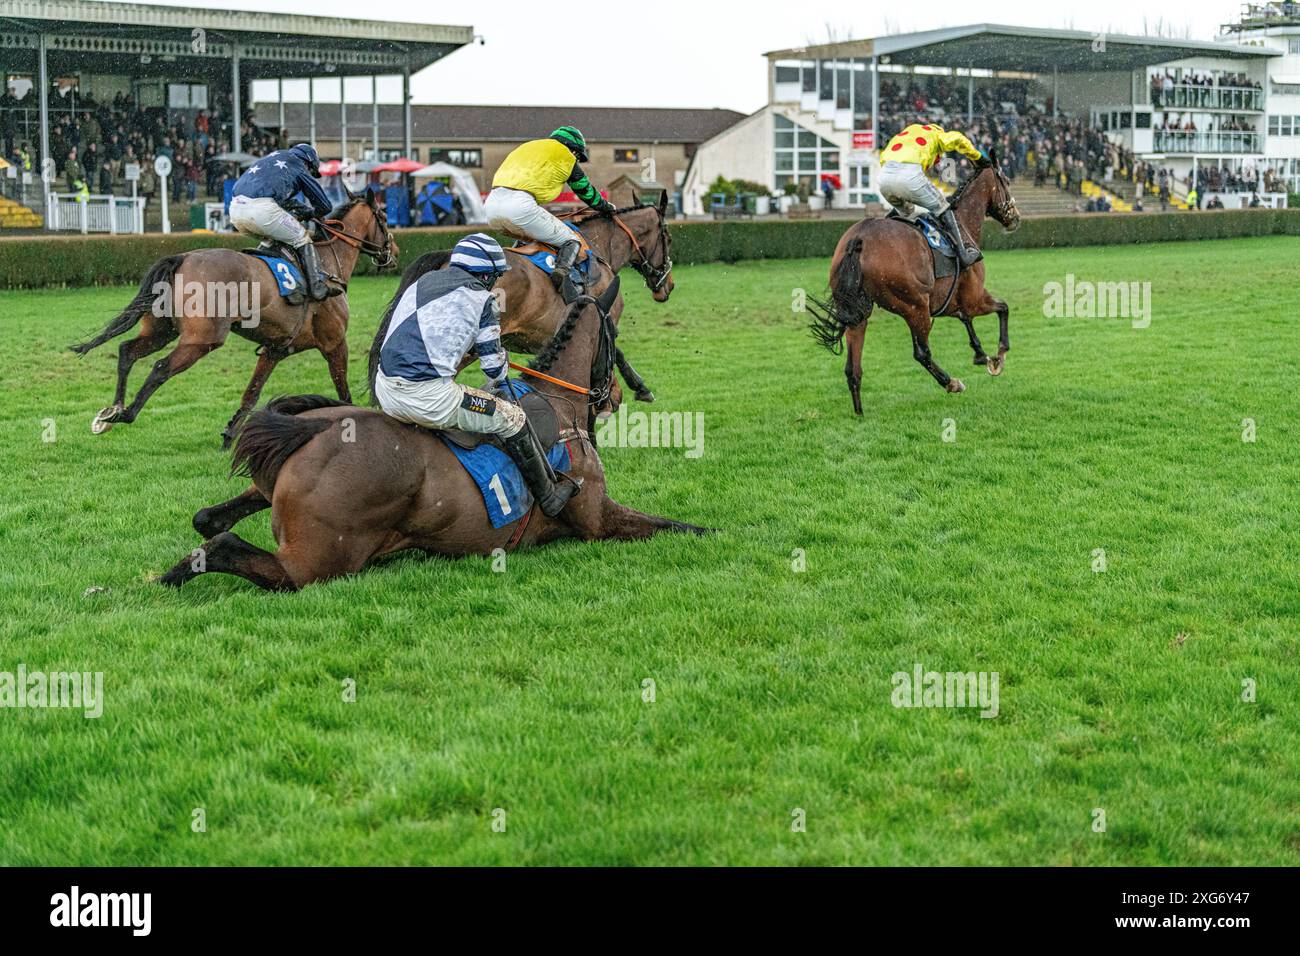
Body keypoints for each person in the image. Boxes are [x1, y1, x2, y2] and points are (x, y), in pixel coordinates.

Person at [373, 234, 582, 517]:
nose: (495, 283)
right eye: (495, 277)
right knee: (513, 418)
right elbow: (494, 371)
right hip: (426, 398)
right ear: (485, 276)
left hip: (385, 387)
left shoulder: (423, 282)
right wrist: (501, 358)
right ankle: (549, 496)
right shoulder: (484, 301)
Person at [484, 126, 616, 292]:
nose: (575, 160)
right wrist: (605, 207)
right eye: (576, 156)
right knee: (571, 241)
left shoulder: (529, 147)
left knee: (529, 240)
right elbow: (585, 190)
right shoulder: (564, 154)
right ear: (573, 150)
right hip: (520, 206)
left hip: (491, 206)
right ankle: (564, 283)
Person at [228, 143, 334, 301]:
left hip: (235, 210)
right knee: (301, 238)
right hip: (261, 211)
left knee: (273, 238)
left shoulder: (274, 158)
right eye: (312, 171)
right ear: (308, 162)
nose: (310, 174)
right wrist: (310, 213)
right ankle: (316, 286)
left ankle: (267, 275)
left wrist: (301, 209)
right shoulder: (299, 166)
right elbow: (325, 206)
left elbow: (277, 196)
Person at [877, 121, 991, 267]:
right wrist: (978, 158)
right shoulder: (936, 134)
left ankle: (886, 240)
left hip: (884, 179)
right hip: (909, 176)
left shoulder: (902, 137)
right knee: (943, 207)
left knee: (906, 212)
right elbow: (958, 139)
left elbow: (885, 158)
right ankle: (963, 255)